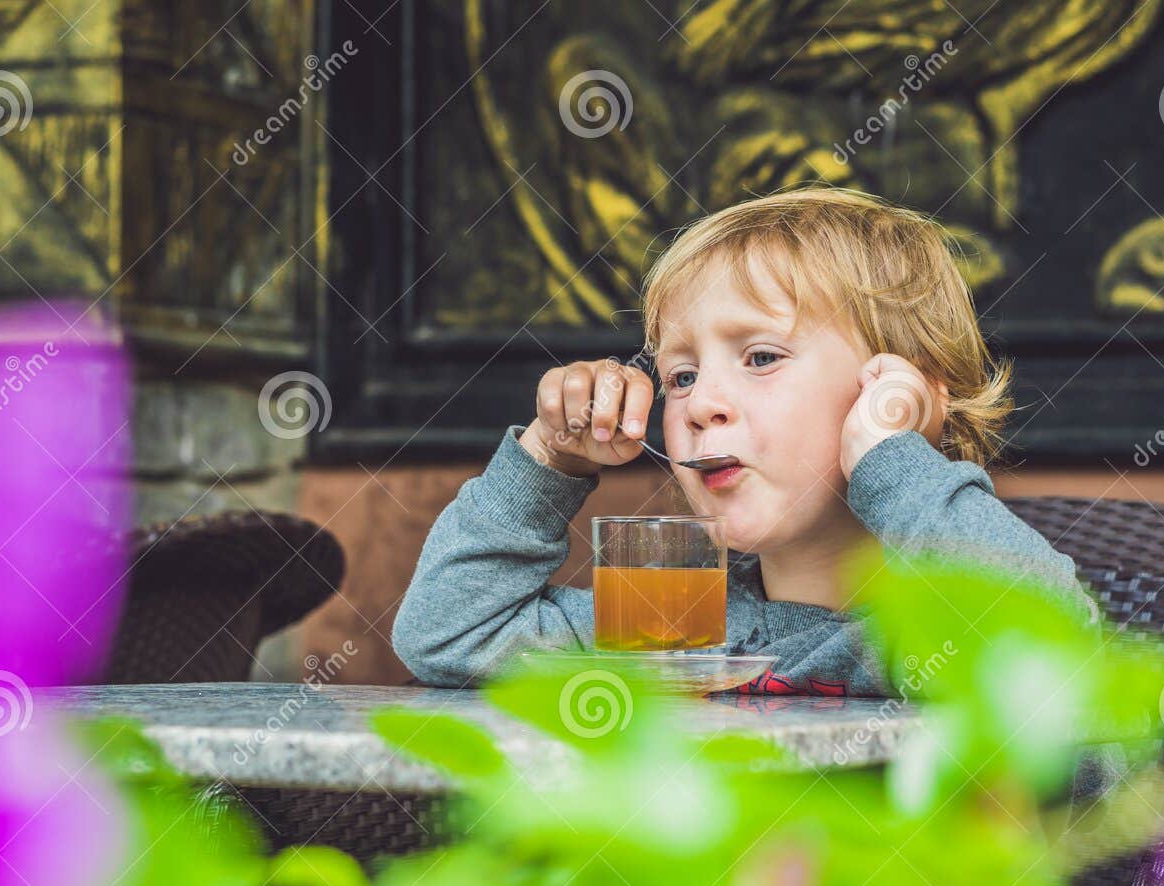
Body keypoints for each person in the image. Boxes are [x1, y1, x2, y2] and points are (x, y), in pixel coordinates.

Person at [393, 187, 1098, 696]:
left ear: (903, 394)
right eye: (681, 374)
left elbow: (1046, 644)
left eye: (760, 357)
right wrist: (548, 462)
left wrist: (891, 455)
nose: (700, 403)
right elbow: (448, 632)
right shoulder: (674, 630)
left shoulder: (934, 635)